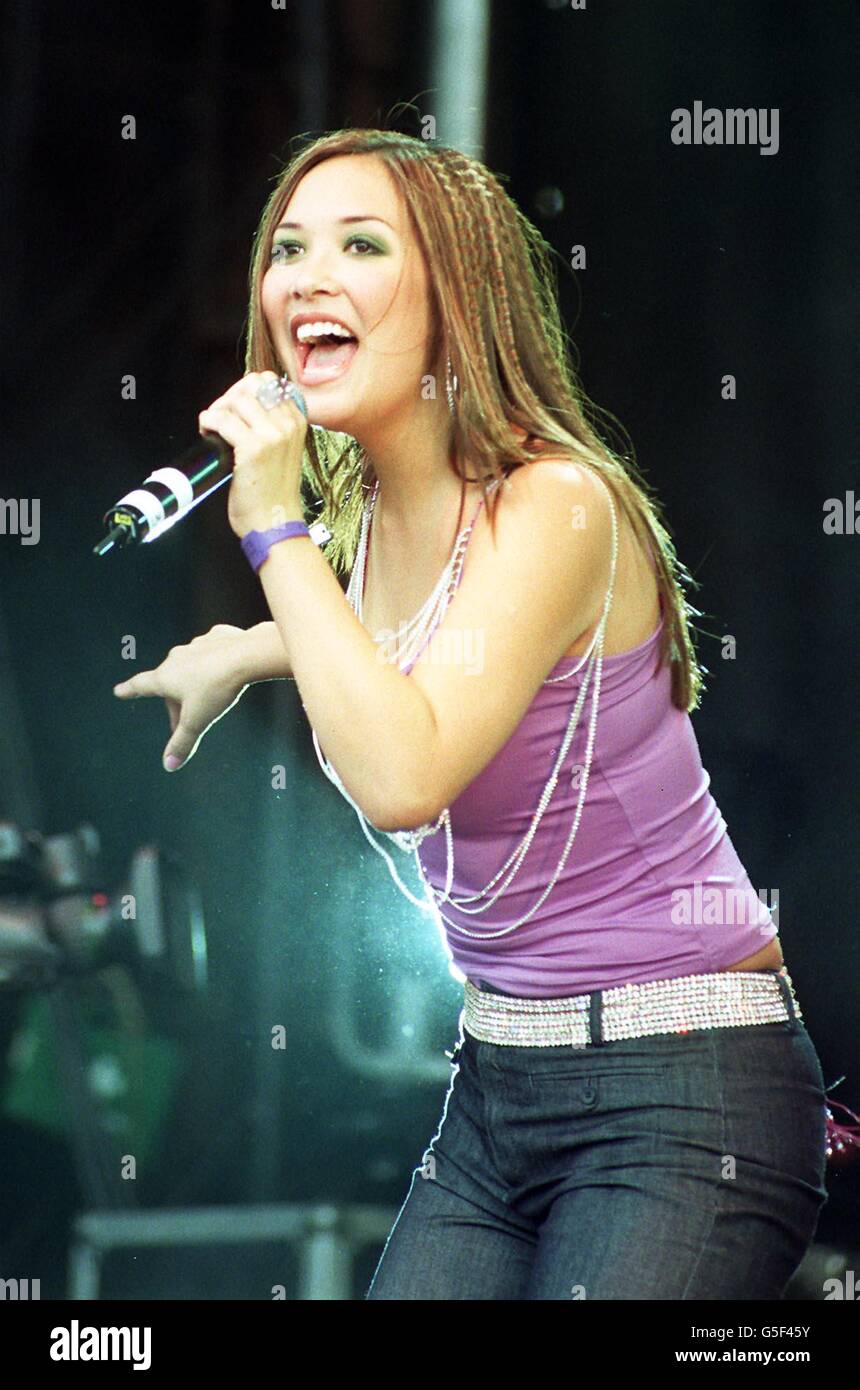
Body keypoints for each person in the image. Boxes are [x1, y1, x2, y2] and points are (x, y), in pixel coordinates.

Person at [113, 129, 852, 1300]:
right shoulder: (361, 527)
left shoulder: (558, 505)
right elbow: (394, 645)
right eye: (287, 248)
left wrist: (270, 529)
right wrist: (250, 652)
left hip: (683, 1087)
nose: (305, 276)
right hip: (496, 1091)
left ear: (456, 299)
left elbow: (407, 769)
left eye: (359, 245)